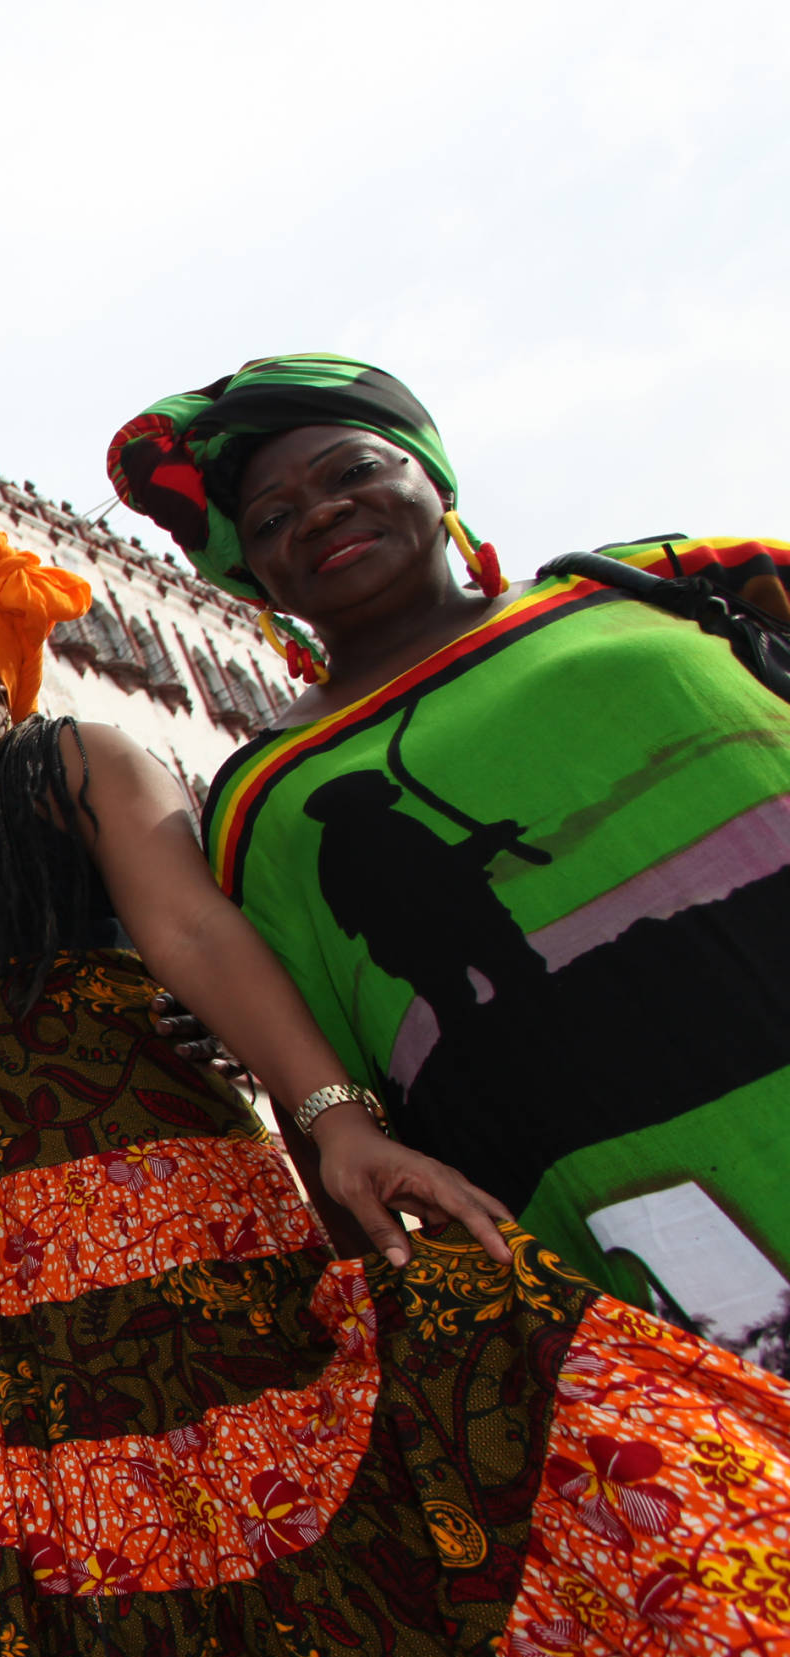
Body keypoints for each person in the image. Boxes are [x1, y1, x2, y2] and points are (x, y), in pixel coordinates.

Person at [0, 508, 790, 1657]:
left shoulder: (75, 760)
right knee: (178, 1654)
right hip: (32, 1309)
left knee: (333, 1588)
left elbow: (197, 936)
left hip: (184, 1236)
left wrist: (336, 1120)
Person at [109, 356, 790, 1371]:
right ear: (255, 575)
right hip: (619, 1204)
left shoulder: (660, 582)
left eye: (351, 472)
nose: (320, 514)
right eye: (273, 518)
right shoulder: (262, 797)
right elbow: (320, 1072)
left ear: (429, 474)